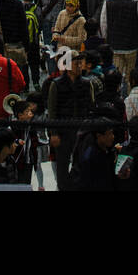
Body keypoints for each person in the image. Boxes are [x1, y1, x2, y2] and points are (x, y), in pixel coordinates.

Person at [47, 47, 96, 191]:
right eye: (76, 63)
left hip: (82, 131)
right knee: (62, 167)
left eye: (81, 63)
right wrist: (54, 133)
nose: (80, 66)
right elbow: (52, 111)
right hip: (63, 132)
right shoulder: (56, 84)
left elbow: (91, 107)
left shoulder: (87, 84)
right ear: (68, 65)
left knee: (81, 165)